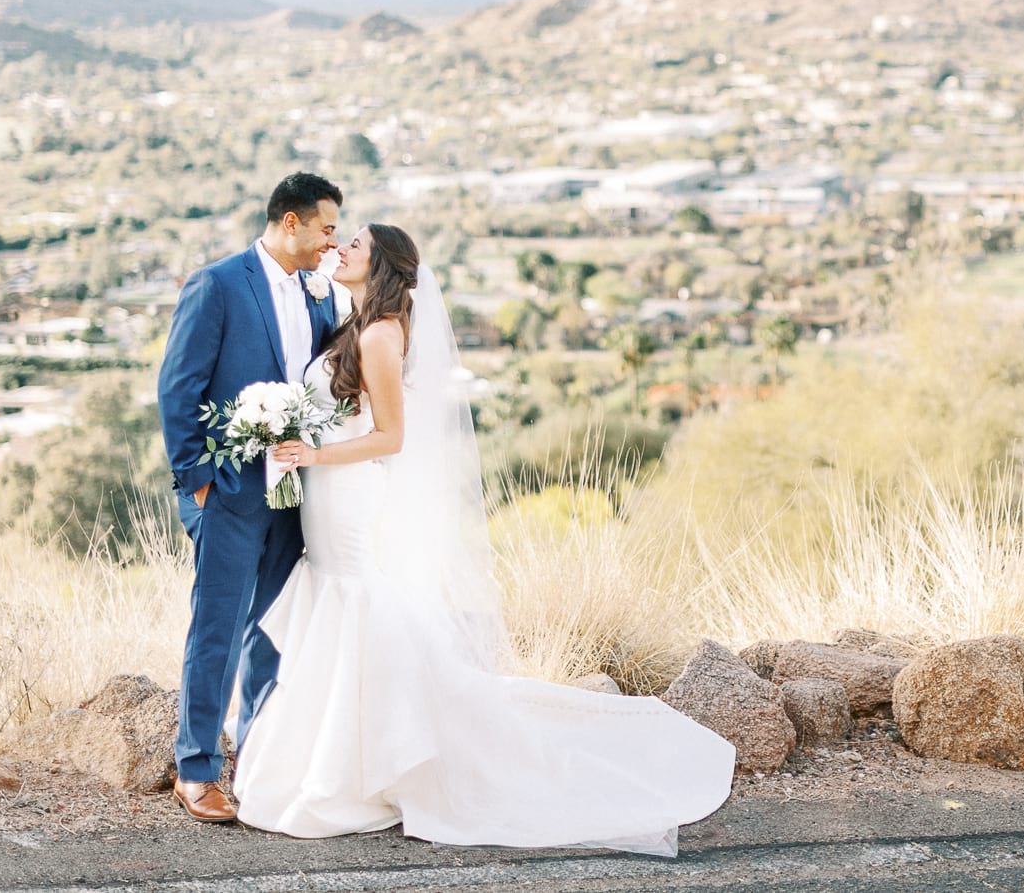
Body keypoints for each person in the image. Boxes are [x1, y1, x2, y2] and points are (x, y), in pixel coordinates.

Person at [232, 223, 734, 853]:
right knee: (340, 594)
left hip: (347, 493)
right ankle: (347, 753)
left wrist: (313, 455)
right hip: (326, 493)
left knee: (353, 596)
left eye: (355, 245)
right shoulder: (353, 324)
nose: (341, 249)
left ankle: (372, 762)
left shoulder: (383, 335)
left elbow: (392, 437)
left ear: (381, 265)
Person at [156, 172, 343, 823]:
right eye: (325, 227)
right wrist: (199, 483)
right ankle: (196, 768)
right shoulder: (218, 285)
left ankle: (258, 760)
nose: (332, 241)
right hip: (231, 491)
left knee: (276, 628)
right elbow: (177, 389)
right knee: (218, 628)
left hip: (297, 497)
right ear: (289, 222)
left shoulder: (320, 295)